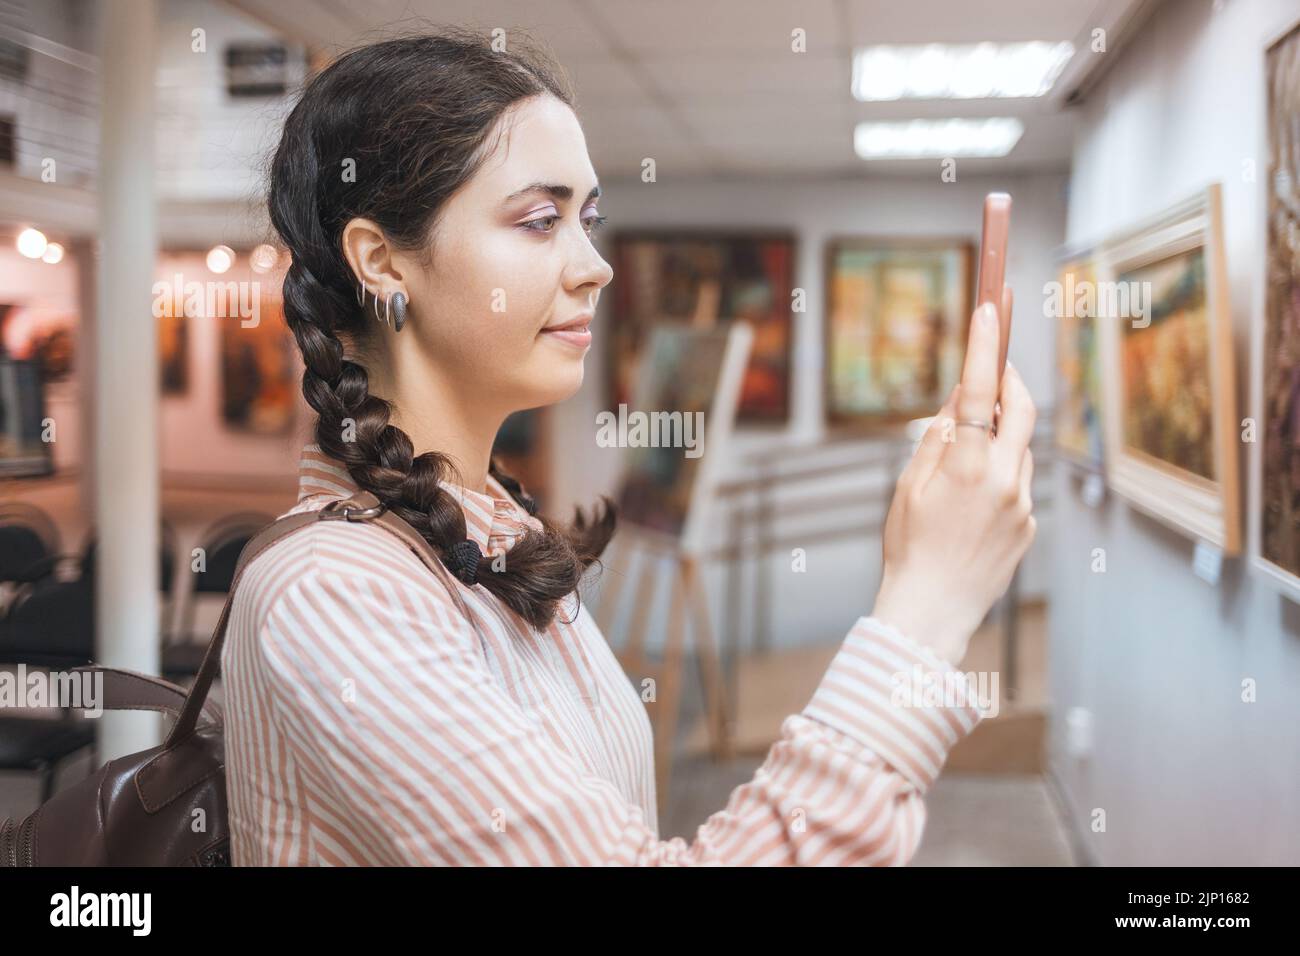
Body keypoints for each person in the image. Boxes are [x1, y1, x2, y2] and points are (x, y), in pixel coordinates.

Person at [222, 30, 1036, 866]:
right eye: (540, 222)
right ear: (382, 261)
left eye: (589, 219)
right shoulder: (333, 593)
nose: (597, 266)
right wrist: (929, 599)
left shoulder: (493, 526)